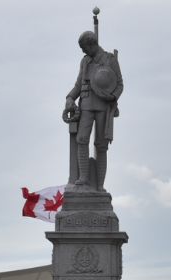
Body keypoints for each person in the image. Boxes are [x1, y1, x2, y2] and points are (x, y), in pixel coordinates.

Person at [63, 30, 123, 190]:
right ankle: (83, 178)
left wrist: (112, 97)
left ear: (91, 44)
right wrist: (70, 98)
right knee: (82, 139)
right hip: (86, 105)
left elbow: (119, 84)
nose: (83, 51)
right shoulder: (85, 62)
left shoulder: (110, 59)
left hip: (103, 106)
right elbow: (78, 85)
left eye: (84, 48)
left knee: (101, 145)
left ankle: (100, 185)